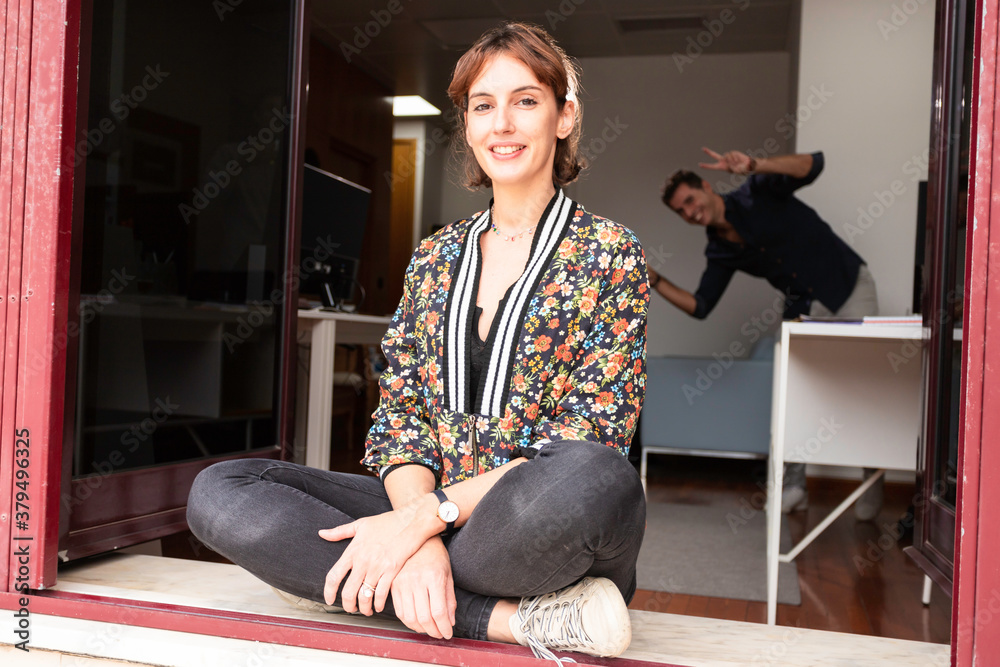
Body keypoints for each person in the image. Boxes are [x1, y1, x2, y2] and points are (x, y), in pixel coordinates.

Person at [186, 22, 649, 663]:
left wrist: (424, 520)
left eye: (525, 101)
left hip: (529, 526)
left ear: (564, 117)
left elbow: (587, 438)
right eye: (483, 106)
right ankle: (505, 619)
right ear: (468, 125)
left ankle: (346, 580)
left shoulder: (610, 252)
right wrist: (421, 533)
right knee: (220, 491)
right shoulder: (434, 256)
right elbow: (401, 419)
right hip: (434, 512)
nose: (502, 124)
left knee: (596, 473)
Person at [648, 148, 882, 520]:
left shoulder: (756, 191)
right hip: (804, 308)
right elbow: (700, 306)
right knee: (794, 394)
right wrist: (655, 279)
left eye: (689, 201)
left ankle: (872, 483)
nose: (689, 213)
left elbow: (814, 165)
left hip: (847, 285)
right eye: (681, 211)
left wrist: (755, 165)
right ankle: (795, 488)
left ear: (706, 186)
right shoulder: (719, 250)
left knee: (865, 387)